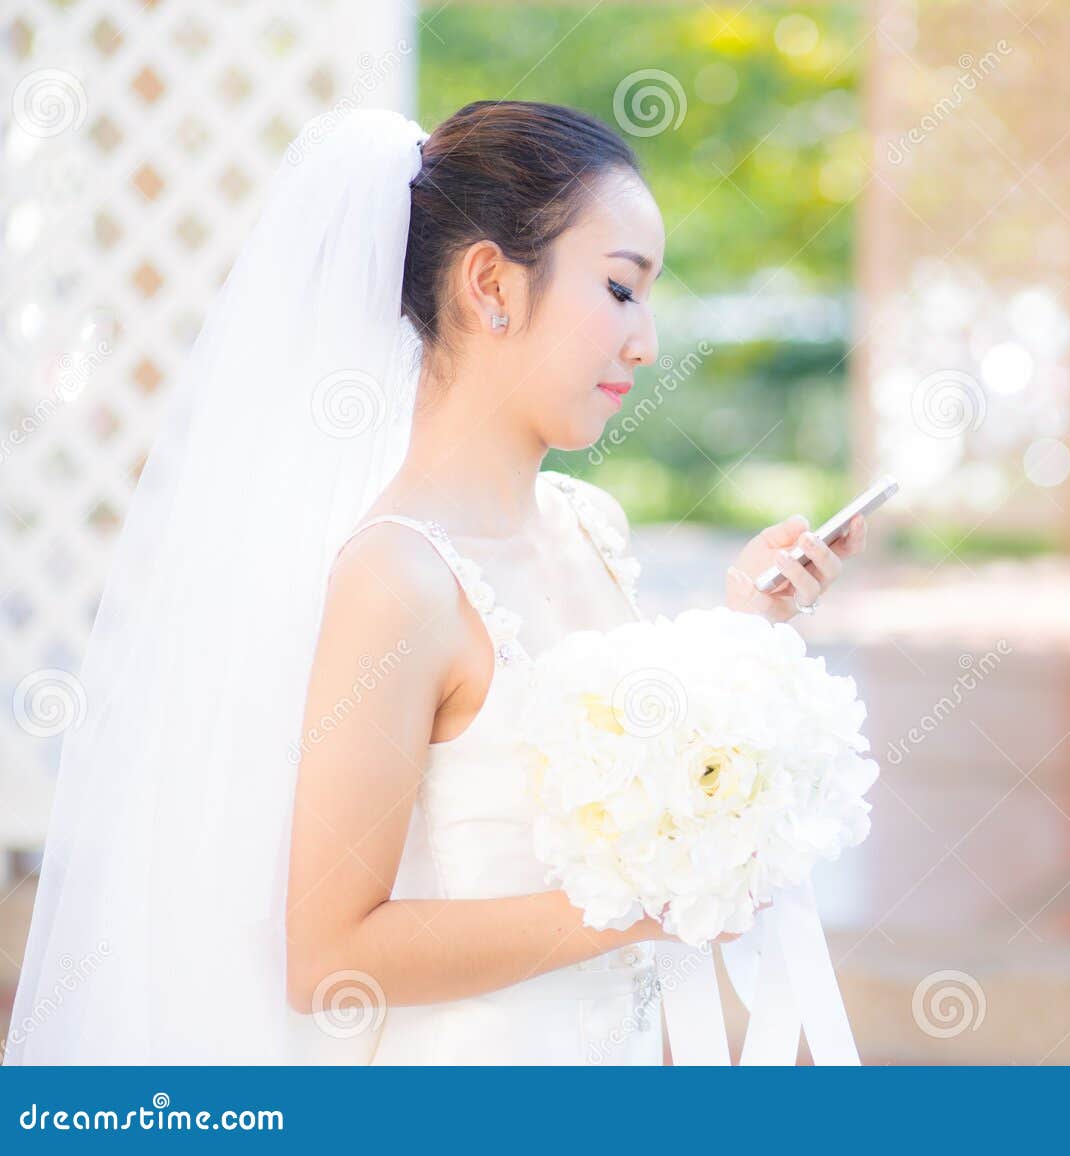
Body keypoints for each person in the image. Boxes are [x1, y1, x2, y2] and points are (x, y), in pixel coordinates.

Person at [5, 101, 867, 1065]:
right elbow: (328, 955)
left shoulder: (589, 527)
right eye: (623, 291)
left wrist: (745, 625)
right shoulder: (397, 581)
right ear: (492, 283)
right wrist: (642, 909)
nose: (647, 343)